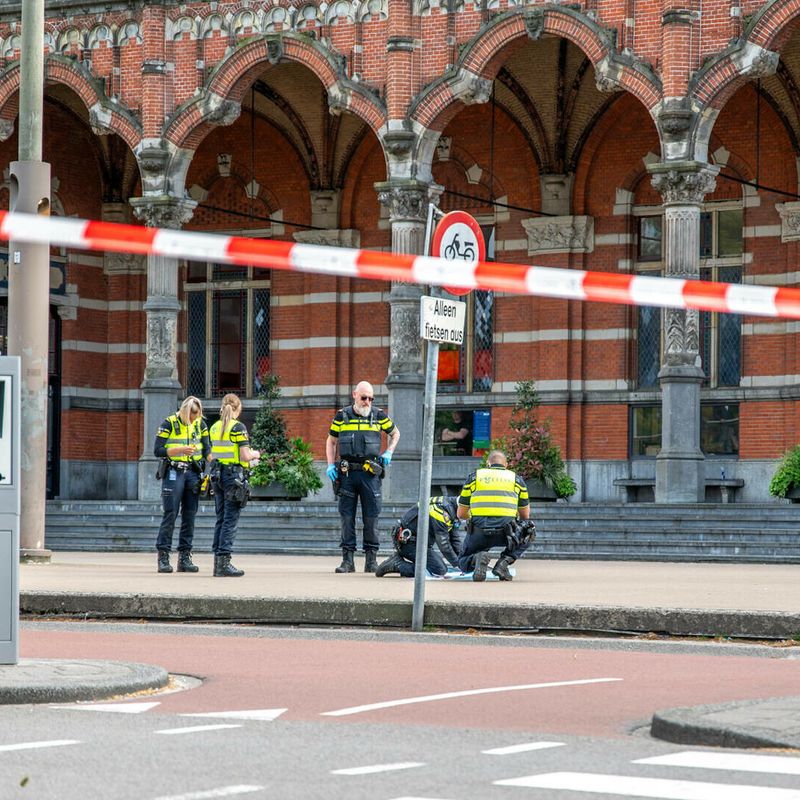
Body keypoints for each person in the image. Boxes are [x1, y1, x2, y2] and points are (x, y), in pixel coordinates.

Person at [326, 381, 400, 574]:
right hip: (347, 474)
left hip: (370, 475)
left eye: (370, 398)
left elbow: (395, 433)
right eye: (364, 397)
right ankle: (347, 561)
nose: (367, 402)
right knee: (347, 517)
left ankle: (371, 561)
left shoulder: (378, 415)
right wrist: (329, 465)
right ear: (354, 395)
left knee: (371, 517)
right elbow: (331, 440)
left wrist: (389, 452)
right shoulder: (342, 416)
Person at [154, 395, 210, 574]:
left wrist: (214, 460)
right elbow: (158, 450)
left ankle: (185, 557)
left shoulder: (200, 424)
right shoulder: (168, 423)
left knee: (190, 515)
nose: (194, 419)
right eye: (192, 415)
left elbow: (207, 448)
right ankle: (163, 556)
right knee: (170, 513)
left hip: (193, 472)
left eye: (197, 415)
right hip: (174, 471)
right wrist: (179, 450)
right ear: (185, 411)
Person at [457, 449, 533, 581]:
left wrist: (476, 519)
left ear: (488, 464)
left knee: (463, 561)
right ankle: (503, 564)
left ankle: (477, 558)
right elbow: (525, 515)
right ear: (506, 465)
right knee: (530, 531)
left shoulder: (473, 478)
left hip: (478, 532)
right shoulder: (517, 480)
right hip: (507, 533)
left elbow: (461, 514)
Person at [208, 393, 261, 577]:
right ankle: (224, 562)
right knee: (230, 520)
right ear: (238, 409)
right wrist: (256, 454)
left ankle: (217, 562)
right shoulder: (238, 427)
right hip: (232, 477)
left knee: (221, 518)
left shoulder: (214, 427)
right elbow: (245, 455)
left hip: (217, 475)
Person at [375, 495, 464, 578]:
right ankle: (397, 564)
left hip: (419, 543)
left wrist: (463, 560)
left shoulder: (452, 509)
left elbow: (455, 540)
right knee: (439, 570)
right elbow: (444, 545)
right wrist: (458, 564)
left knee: (440, 566)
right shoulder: (442, 512)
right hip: (408, 543)